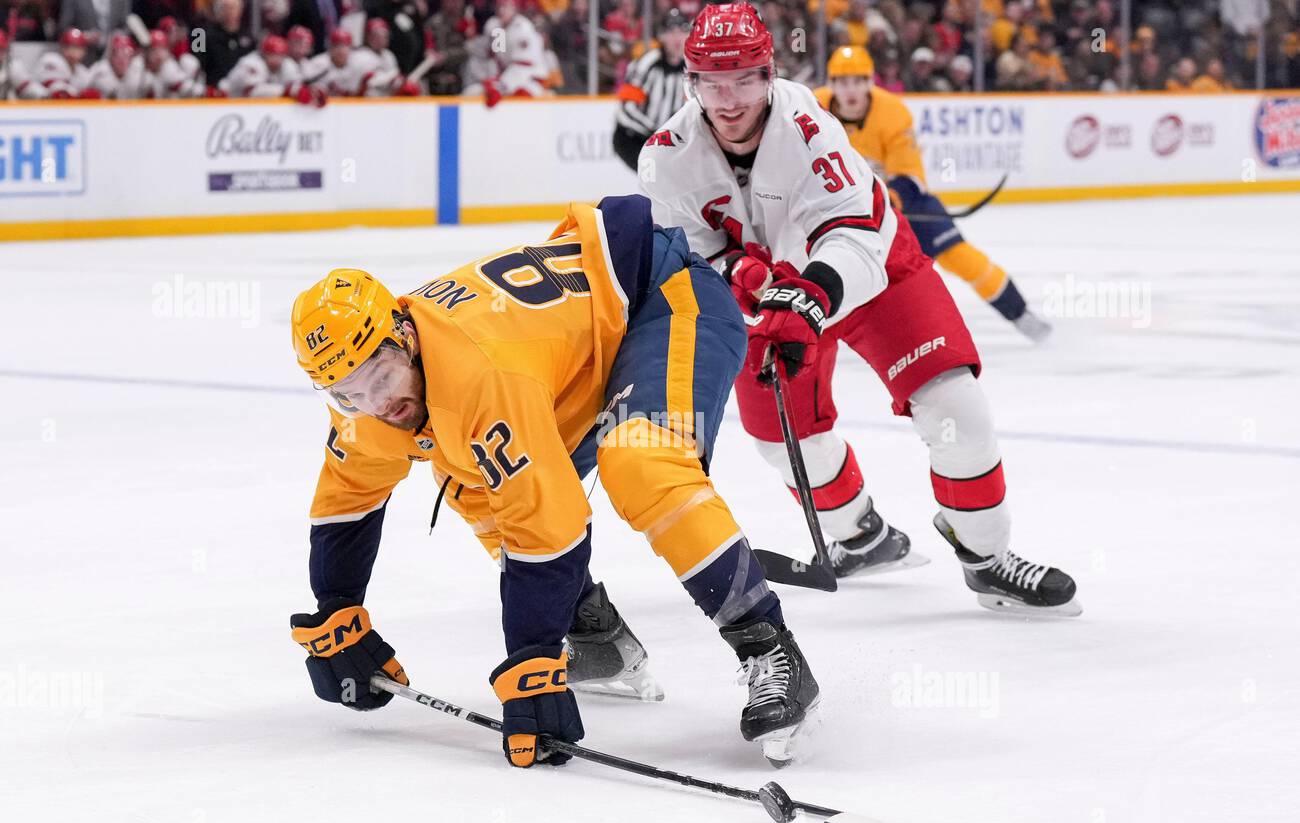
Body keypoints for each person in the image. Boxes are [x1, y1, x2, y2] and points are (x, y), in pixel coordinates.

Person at [288, 194, 822, 766]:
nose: (376, 403)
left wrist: (532, 660)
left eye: (381, 374)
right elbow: (348, 496)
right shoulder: (365, 399)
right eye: (346, 391)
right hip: (576, 360)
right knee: (475, 478)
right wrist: (337, 607)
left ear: (406, 336)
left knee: (638, 459)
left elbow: (545, 524)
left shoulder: (479, 373)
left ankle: (767, 645)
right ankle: (595, 637)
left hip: (664, 301)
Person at [640, 5, 1080, 615]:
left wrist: (811, 295)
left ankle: (987, 558)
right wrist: (738, 273)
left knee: (956, 407)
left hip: (871, 272)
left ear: (770, 75)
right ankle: (859, 534)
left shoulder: (808, 126)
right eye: (712, 82)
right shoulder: (665, 157)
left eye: (743, 78)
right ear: (691, 83)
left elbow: (854, 228)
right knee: (781, 441)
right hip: (767, 299)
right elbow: (686, 251)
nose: (729, 98)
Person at [817, 46, 1052, 342]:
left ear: (870, 82)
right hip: (841, 211)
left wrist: (888, 200)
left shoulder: (892, 112)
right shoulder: (814, 107)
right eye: (841, 82)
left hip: (901, 206)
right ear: (831, 83)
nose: (849, 90)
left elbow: (911, 175)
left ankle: (1021, 315)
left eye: (857, 81)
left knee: (962, 258)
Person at [612, 7, 689, 171]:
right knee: (659, 180)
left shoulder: (692, 68)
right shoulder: (646, 64)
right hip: (632, 138)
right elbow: (626, 108)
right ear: (661, 36)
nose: (677, 38)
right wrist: (655, 133)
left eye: (682, 31)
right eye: (671, 32)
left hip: (663, 144)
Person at [23, 28, 94, 98]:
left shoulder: (83, 72)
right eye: (68, 47)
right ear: (61, 48)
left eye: (77, 48)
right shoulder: (51, 60)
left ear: (84, 51)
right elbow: (58, 92)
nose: (72, 51)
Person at [84, 33, 146, 98]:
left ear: (132, 57)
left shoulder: (138, 72)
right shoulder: (99, 70)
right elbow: (82, 89)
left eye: (126, 55)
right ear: (111, 56)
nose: (122, 60)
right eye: (118, 55)